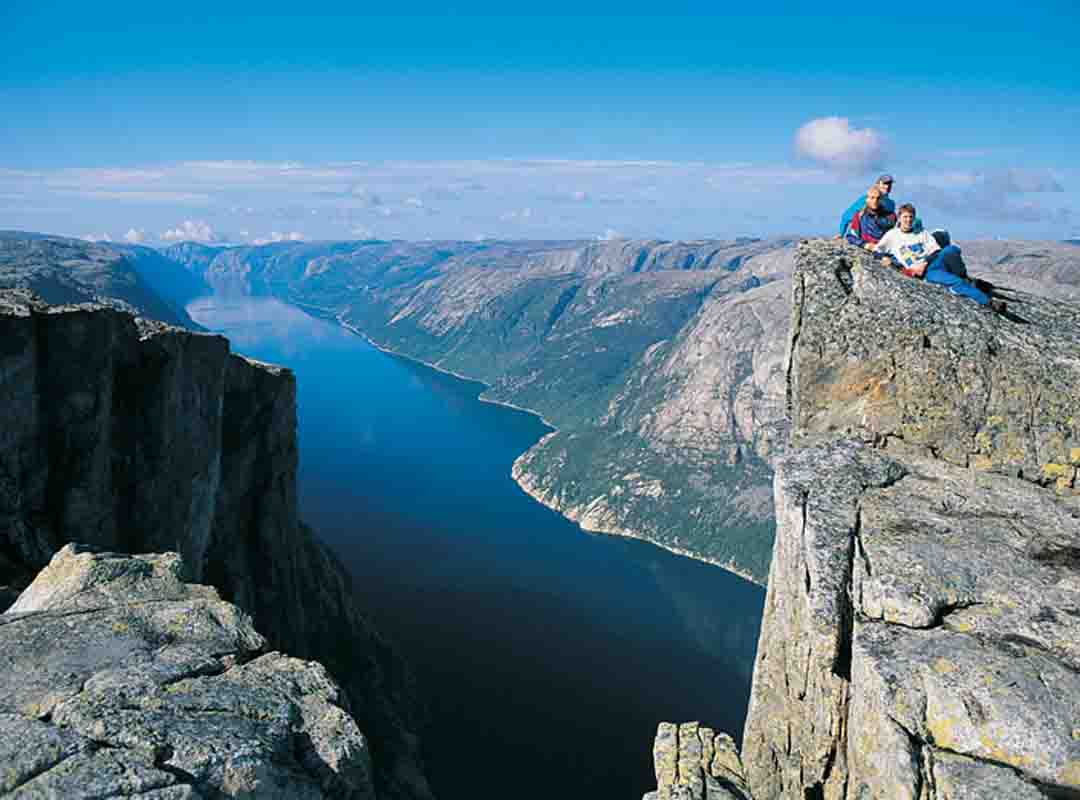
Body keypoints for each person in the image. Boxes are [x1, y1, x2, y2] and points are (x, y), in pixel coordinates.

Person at [875, 203, 993, 307]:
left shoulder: (922, 233)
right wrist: (885, 259)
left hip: (932, 263)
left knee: (952, 250)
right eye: (905, 217)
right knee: (956, 282)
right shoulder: (892, 235)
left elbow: (936, 250)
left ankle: (964, 276)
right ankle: (988, 302)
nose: (908, 220)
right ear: (899, 219)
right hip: (926, 273)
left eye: (911, 217)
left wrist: (925, 263)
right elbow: (876, 251)